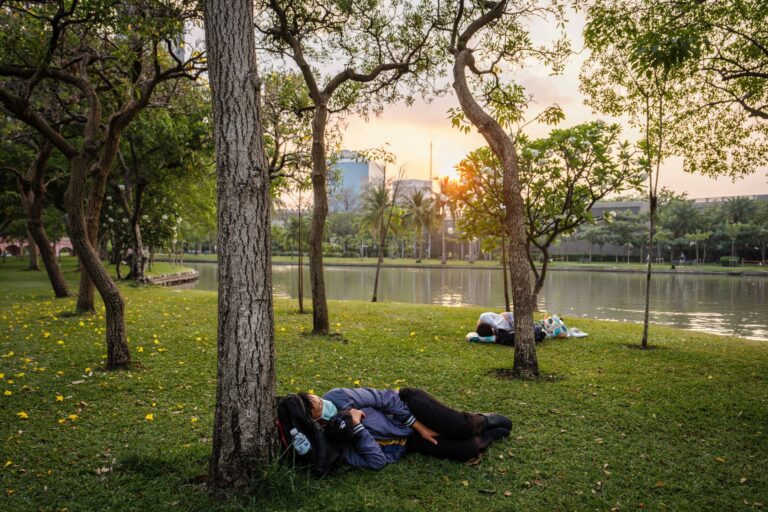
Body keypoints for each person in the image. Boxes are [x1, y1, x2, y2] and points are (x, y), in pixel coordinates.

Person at [299, 387, 512, 470]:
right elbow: (376, 462)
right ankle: (488, 435)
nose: (323, 402)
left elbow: (385, 398)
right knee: (467, 450)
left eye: (318, 399)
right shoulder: (333, 441)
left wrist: (419, 426)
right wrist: (356, 428)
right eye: (318, 407)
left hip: (408, 407)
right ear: (315, 422)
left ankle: (482, 420)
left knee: (460, 427)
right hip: (405, 442)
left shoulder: (336, 397)